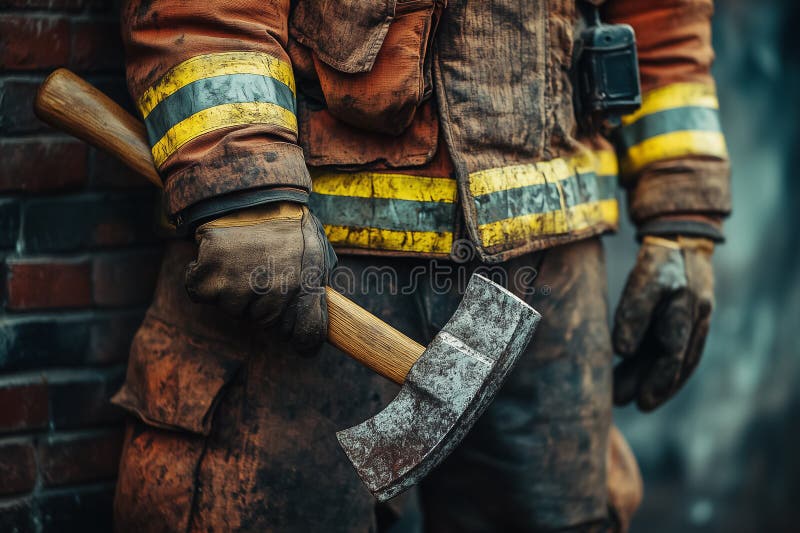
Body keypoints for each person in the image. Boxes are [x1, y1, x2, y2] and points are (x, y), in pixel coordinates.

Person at [111, 0, 729, 531]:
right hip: (304, 261)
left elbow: (665, 18)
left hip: (549, 279)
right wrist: (244, 182)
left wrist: (682, 214)